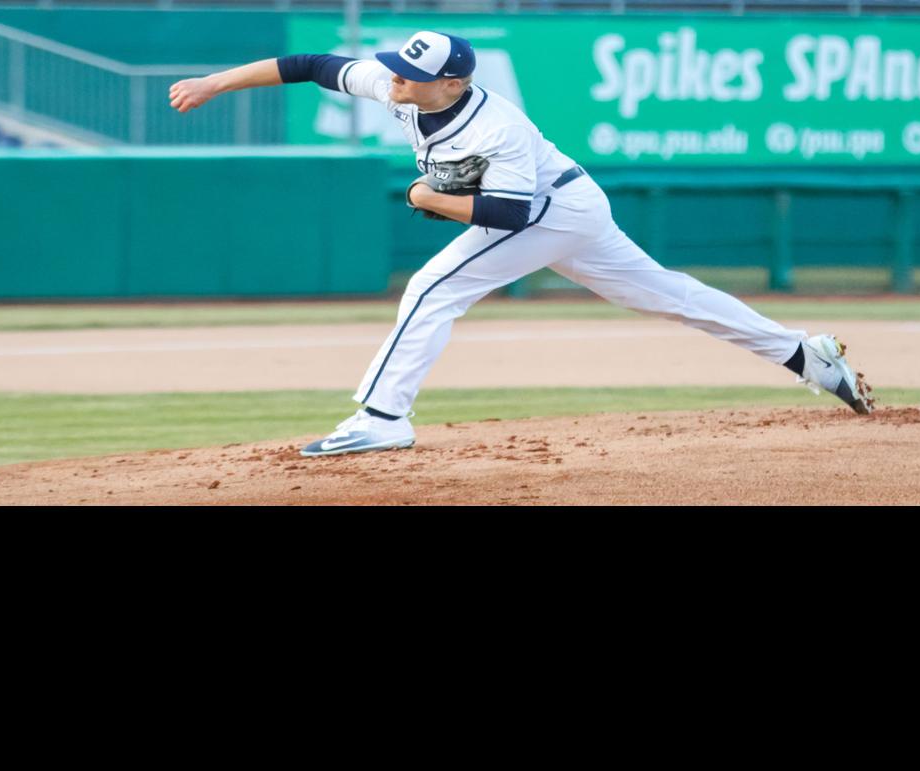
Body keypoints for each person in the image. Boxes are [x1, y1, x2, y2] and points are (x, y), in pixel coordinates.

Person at [169, 30, 874, 457]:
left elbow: (506, 213)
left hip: (550, 211)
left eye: (413, 73)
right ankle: (802, 354)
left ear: (452, 81)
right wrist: (216, 81)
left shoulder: (492, 127)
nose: (396, 77)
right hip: (570, 203)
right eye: (398, 67)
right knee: (667, 295)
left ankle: (382, 418)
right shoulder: (399, 85)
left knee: (432, 288)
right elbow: (311, 64)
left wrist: (425, 198)